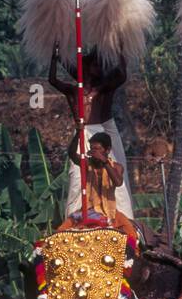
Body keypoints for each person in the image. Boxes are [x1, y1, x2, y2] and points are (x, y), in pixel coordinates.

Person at [50, 45, 134, 223]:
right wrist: (54, 56)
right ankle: (75, 218)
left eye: (99, 65)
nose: (98, 69)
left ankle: (121, 219)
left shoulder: (102, 90)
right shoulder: (74, 91)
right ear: (86, 69)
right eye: (94, 65)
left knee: (111, 177)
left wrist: (120, 48)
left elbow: (121, 75)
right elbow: (53, 80)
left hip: (100, 131)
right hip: (81, 132)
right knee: (77, 177)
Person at [61, 130, 137, 239]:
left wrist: (105, 162)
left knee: (131, 234)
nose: (94, 152)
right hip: (88, 210)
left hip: (110, 212)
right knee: (61, 231)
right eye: (92, 149)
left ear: (108, 150)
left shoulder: (117, 167)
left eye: (98, 149)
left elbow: (118, 182)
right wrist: (78, 132)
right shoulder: (87, 163)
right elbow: (72, 154)